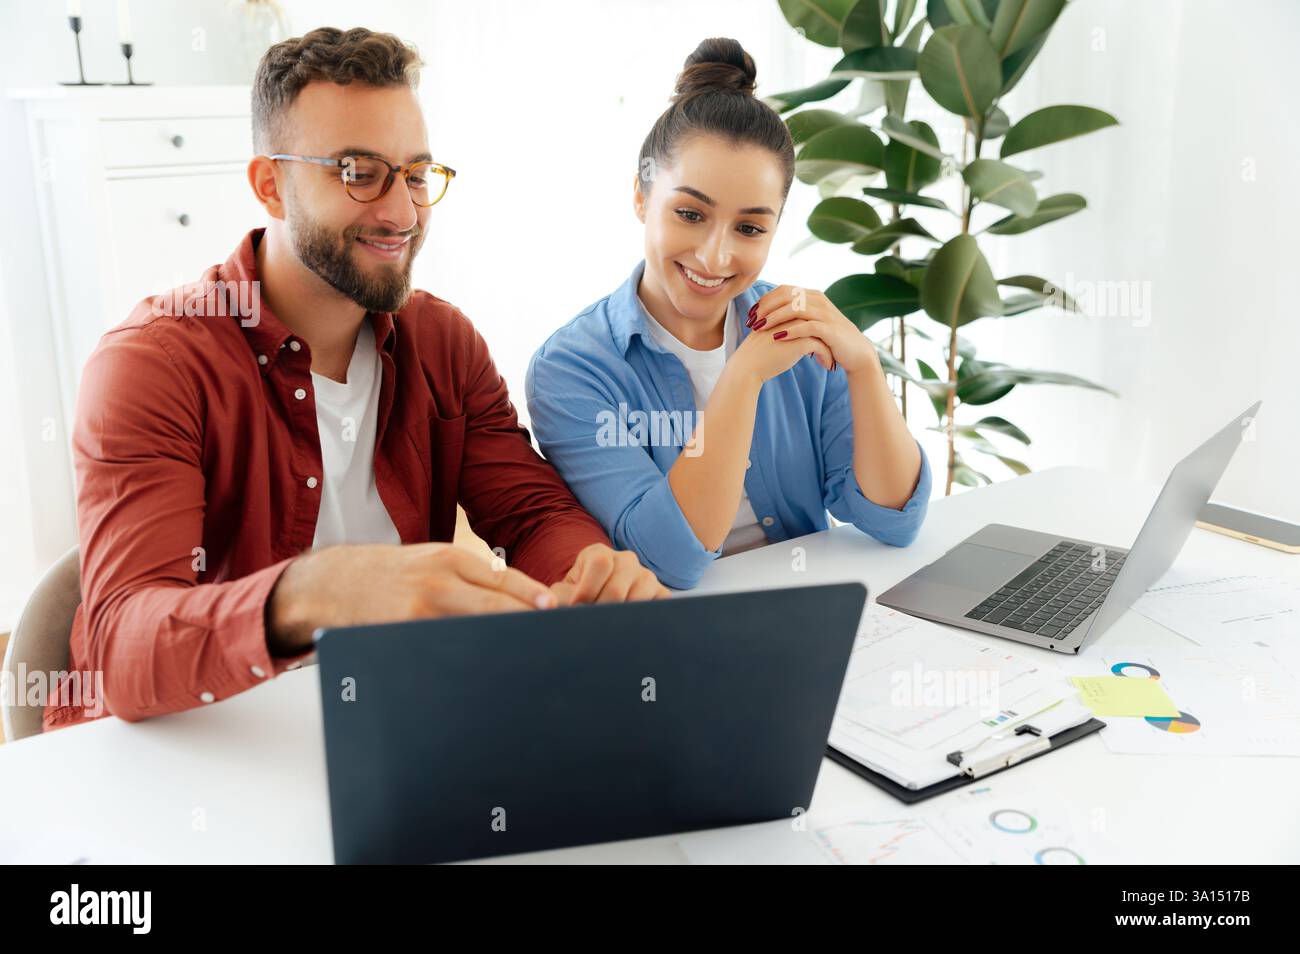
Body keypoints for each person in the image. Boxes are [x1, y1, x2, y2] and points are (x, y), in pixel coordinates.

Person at [45, 27, 664, 731]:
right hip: (191, 745)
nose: (401, 213)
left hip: (382, 720)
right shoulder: (152, 364)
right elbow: (123, 649)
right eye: (357, 172)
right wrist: (313, 592)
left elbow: (534, 514)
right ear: (269, 185)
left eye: (416, 175)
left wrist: (589, 574)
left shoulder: (443, 343)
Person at [526, 37, 931, 591]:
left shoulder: (800, 329)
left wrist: (863, 367)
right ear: (642, 198)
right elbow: (673, 559)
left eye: (749, 228)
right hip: (673, 641)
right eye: (690, 213)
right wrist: (741, 377)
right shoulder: (571, 370)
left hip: (812, 612)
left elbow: (894, 520)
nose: (716, 257)